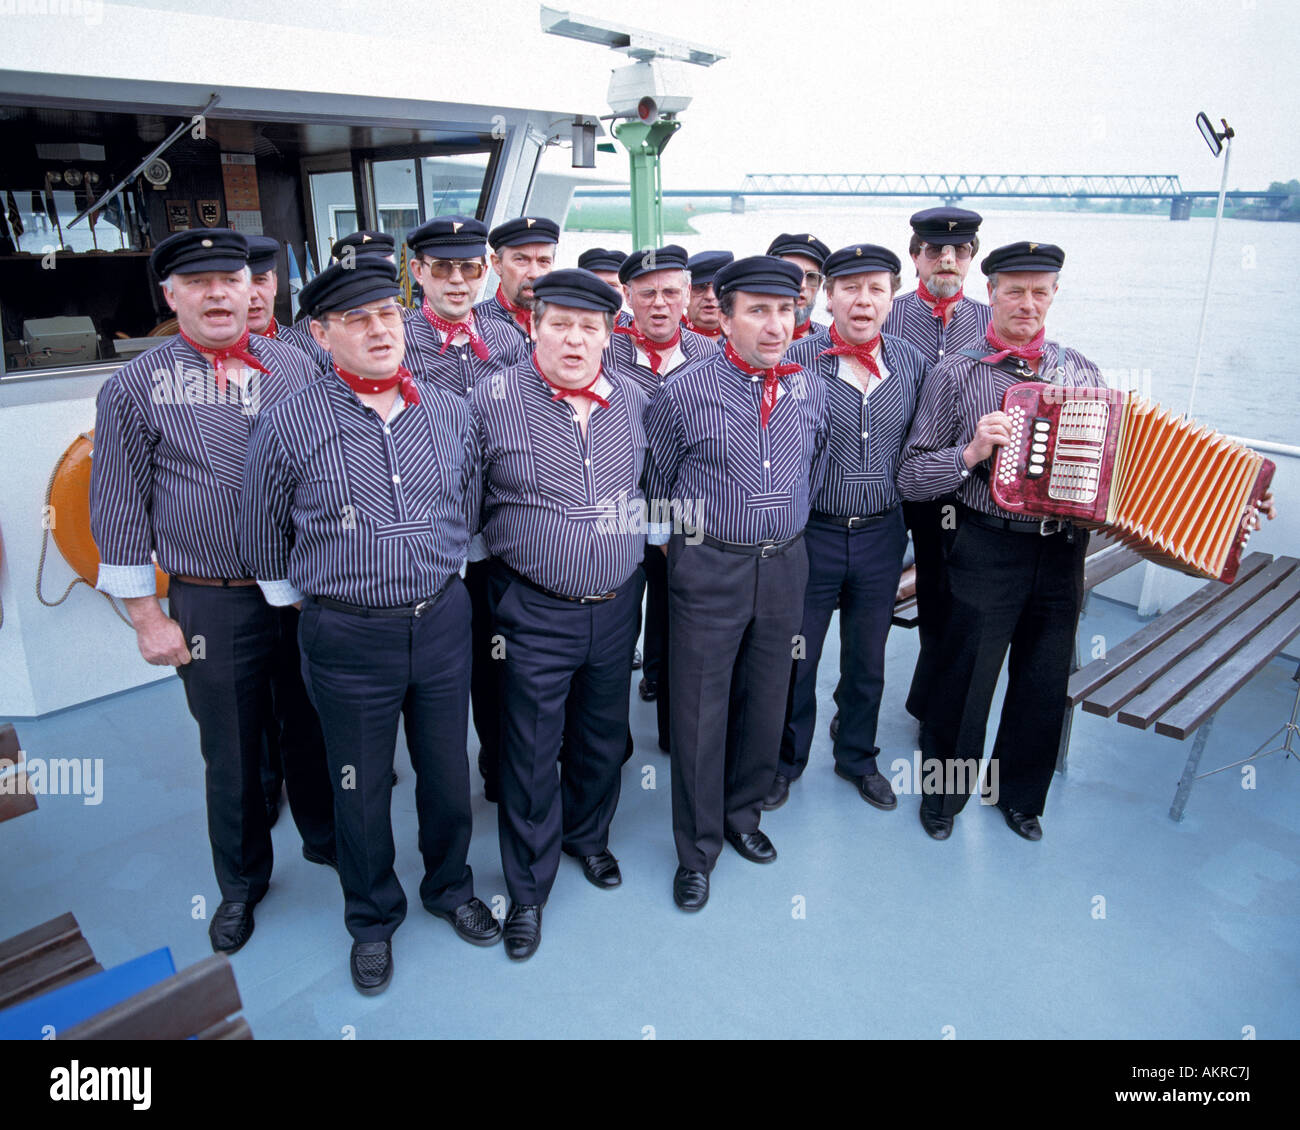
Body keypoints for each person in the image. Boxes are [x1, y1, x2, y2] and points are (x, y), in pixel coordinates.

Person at [240, 257, 499, 995]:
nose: (380, 330)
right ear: (321, 334)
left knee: (448, 775)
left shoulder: (449, 409)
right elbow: (264, 536)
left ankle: (450, 888)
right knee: (357, 786)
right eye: (357, 319)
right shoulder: (289, 421)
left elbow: (469, 504)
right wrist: (328, 604)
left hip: (443, 621)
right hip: (347, 635)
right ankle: (372, 918)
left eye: (388, 313)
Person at [89, 228, 336, 956]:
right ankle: (240, 885)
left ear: (252, 285)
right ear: (171, 297)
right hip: (213, 598)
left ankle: (324, 839)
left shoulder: (297, 366)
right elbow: (117, 504)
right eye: (198, 283)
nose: (220, 293)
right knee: (229, 748)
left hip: (303, 589)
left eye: (230, 278)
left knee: (312, 724)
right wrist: (145, 616)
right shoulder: (134, 387)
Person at [896, 240, 1103, 843]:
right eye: (1015, 290)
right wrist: (970, 453)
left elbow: (1106, 471)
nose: (1028, 303)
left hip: (1062, 550)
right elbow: (912, 473)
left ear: (1055, 296)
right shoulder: (955, 374)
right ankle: (943, 798)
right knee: (966, 679)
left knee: (1042, 681)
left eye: (1041, 291)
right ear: (992, 293)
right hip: (986, 544)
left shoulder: (1084, 373)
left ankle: (1019, 796)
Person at [471, 269, 647, 960]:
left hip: (616, 606)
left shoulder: (632, 400)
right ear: (533, 326)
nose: (575, 339)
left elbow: (644, 487)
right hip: (532, 612)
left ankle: (588, 839)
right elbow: (469, 502)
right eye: (560, 324)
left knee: (604, 737)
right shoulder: (491, 400)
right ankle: (529, 890)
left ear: (609, 333)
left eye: (590, 327)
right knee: (531, 751)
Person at [645, 256, 829, 911]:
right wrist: (690, 555)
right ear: (723, 317)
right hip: (709, 565)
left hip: (786, 564)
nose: (775, 324)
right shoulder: (683, 392)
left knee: (766, 699)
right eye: (757, 310)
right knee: (699, 711)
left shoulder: (811, 388)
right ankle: (697, 851)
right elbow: (657, 487)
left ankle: (742, 816)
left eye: (784, 309)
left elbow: (816, 465)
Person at [765, 244, 929, 813]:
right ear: (828, 295)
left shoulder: (911, 363)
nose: (863, 301)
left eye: (877, 289)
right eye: (850, 288)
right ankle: (786, 760)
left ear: (891, 297)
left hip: (884, 535)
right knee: (798, 655)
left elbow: (920, 449)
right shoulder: (797, 360)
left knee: (868, 657)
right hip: (814, 534)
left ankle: (857, 756)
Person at [401, 214, 526, 803]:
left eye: (470, 268)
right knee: (448, 679)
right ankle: (445, 792)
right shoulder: (393, 339)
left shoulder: (505, 339)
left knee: (503, 666)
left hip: (500, 535)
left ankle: (503, 772)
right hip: (434, 541)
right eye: (442, 268)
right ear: (417, 271)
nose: (458, 281)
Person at [883, 207, 992, 729]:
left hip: (959, 485)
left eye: (960, 251)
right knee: (873, 600)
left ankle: (930, 704)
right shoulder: (888, 315)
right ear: (915, 257)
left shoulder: (990, 324)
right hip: (887, 483)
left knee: (943, 597)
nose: (947, 259)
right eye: (934, 251)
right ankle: (855, 706)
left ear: (970, 260)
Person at [475, 215, 560, 346]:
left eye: (543, 261)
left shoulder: (567, 326)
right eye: (521, 260)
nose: (534, 274)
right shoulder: (472, 326)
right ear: (497, 264)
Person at [766, 232, 830, 345]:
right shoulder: (741, 339)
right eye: (792, 273)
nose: (802, 285)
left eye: (811, 277)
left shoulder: (832, 344)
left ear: (820, 285)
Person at [683, 250, 732, 338]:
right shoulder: (667, 336)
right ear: (686, 293)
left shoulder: (745, 337)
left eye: (718, 287)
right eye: (701, 287)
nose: (710, 296)